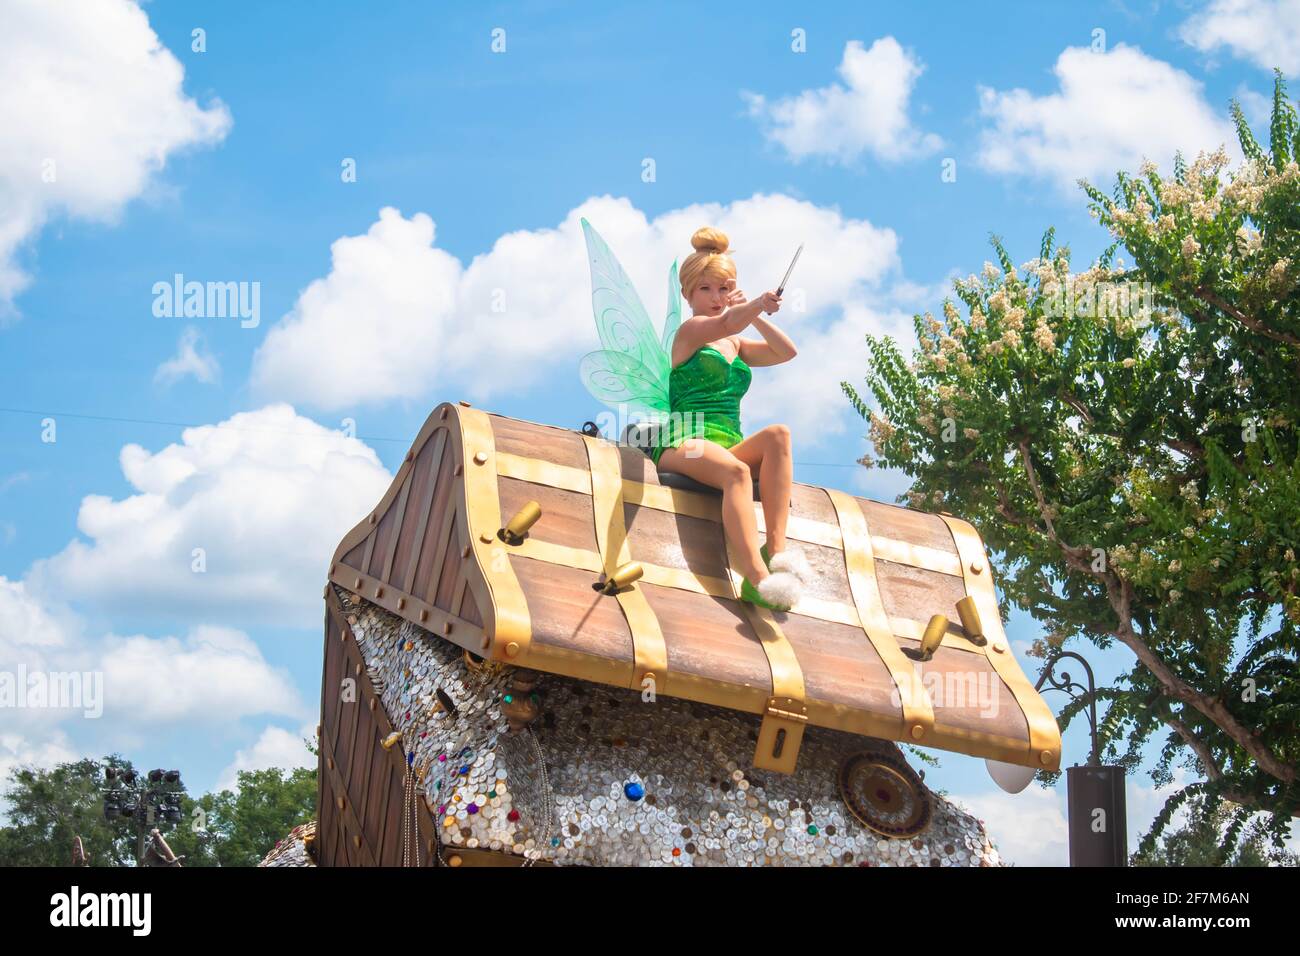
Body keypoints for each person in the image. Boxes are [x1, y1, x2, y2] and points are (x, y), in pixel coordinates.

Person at [649, 227, 812, 611]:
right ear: (688, 294)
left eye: (723, 289)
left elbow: (785, 351)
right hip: (685, 441)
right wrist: (755, 305)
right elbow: (725, 324)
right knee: (737, 473)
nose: (715, 298)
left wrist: (755, 313)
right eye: (705, 289)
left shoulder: (736, 341)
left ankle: (776, 552)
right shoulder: (690, 331)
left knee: (778, 434)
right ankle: (758, 578)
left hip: (725, 439)